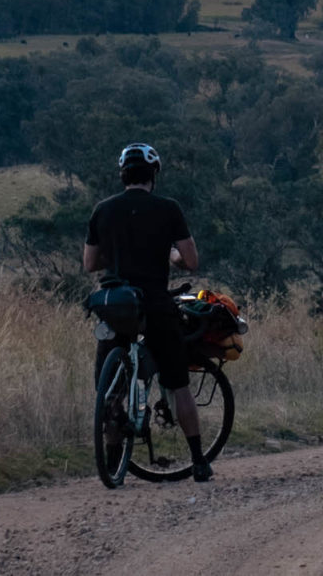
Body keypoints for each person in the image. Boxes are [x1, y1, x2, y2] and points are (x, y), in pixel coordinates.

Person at [82, 142, 214, 482]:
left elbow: (89, 263)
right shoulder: (168, 209)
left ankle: (113, 461)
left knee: (110, 390)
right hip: (155, 303)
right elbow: (191, 260)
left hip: (115, 305)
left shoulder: (103, 209)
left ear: (123, 174)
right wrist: (170, 255)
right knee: (177, 383)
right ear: (153, 175)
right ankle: (198, 460)